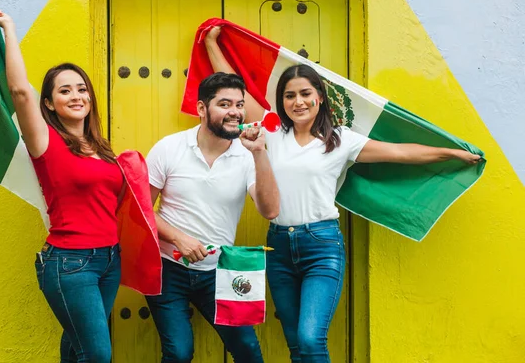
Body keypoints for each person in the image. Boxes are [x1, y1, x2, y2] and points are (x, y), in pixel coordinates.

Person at [204, 26, 481, 363]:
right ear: (282, 102)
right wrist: (211, 42)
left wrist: (450, 153)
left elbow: (400, 153)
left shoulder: (340, 139)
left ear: (319, 97)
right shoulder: (271, 130)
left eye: (305, 94)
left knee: (310, 338)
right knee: (294, 341)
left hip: (321, 246)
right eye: (290, 96)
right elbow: (233, 89)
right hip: (277, 246)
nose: (298, 102)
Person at [0, 8, 124, 363]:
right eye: (65, 91)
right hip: (70, 263)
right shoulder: (45, 142)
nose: (77, 96)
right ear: (49, 102)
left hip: (109, 260)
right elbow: (18, 91)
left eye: (82, 89)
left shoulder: (102, 149)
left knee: (76, 350)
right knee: (97, 355)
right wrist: (9, 29)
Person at [145, 72, 280, 363]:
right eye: (225, 104)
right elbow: (141, 209)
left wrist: (259, 153)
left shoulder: (247, 156)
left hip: (220, 271)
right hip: (168, 269)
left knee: (248, 351)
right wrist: (178, 237)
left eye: (240, 104)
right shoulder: (169, 148)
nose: (235, 112)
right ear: (202, 108)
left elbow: (270, 210)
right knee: (179, 353)